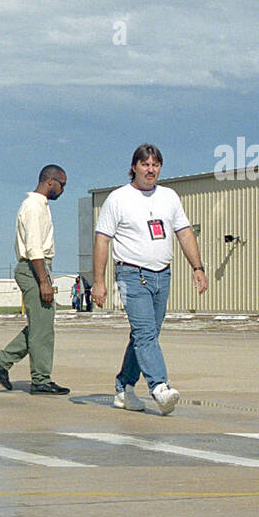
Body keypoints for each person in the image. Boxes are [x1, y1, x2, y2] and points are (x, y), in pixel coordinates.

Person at [91, 144, 208, 415]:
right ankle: (160, 387)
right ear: (134, 167)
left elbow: (184, 232)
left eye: (155, 164)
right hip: (131, 275)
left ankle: (124, 388)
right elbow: (102, 240)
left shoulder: (169, 197)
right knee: (145, 333)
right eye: (145, 164)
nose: (150, 169)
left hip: (162, 274)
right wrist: (99, 281)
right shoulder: (118, 198)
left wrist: (197, 267)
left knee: (147, 335)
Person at [0, 165, 70, 395]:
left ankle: (2, 362)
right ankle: (41, 380)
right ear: (50, 181)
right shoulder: (34, 207)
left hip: (39, 268)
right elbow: (34, 248)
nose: (63, 190)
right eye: (63, 184)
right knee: (42, 328)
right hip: (34, 268)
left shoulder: (40, 206)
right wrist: (44, 281)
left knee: (40, 325)